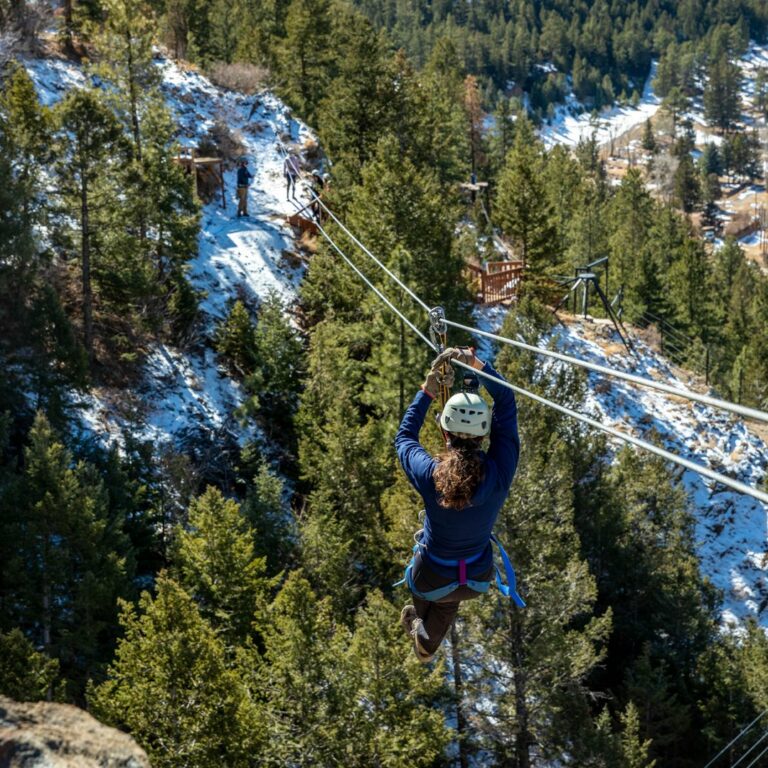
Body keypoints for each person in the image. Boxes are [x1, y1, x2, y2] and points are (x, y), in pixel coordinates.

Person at [395, 346, 522, 662]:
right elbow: (506, 400)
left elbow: (405, 439)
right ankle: (425, 640)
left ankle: (424, 638)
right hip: (477, 578)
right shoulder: (500, 472)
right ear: (485, 433)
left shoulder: (431, 474)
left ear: (443, 428)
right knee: (447, 596)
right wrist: (475, 363)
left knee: (430, 589)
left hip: (431, 576)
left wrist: (428, 390)